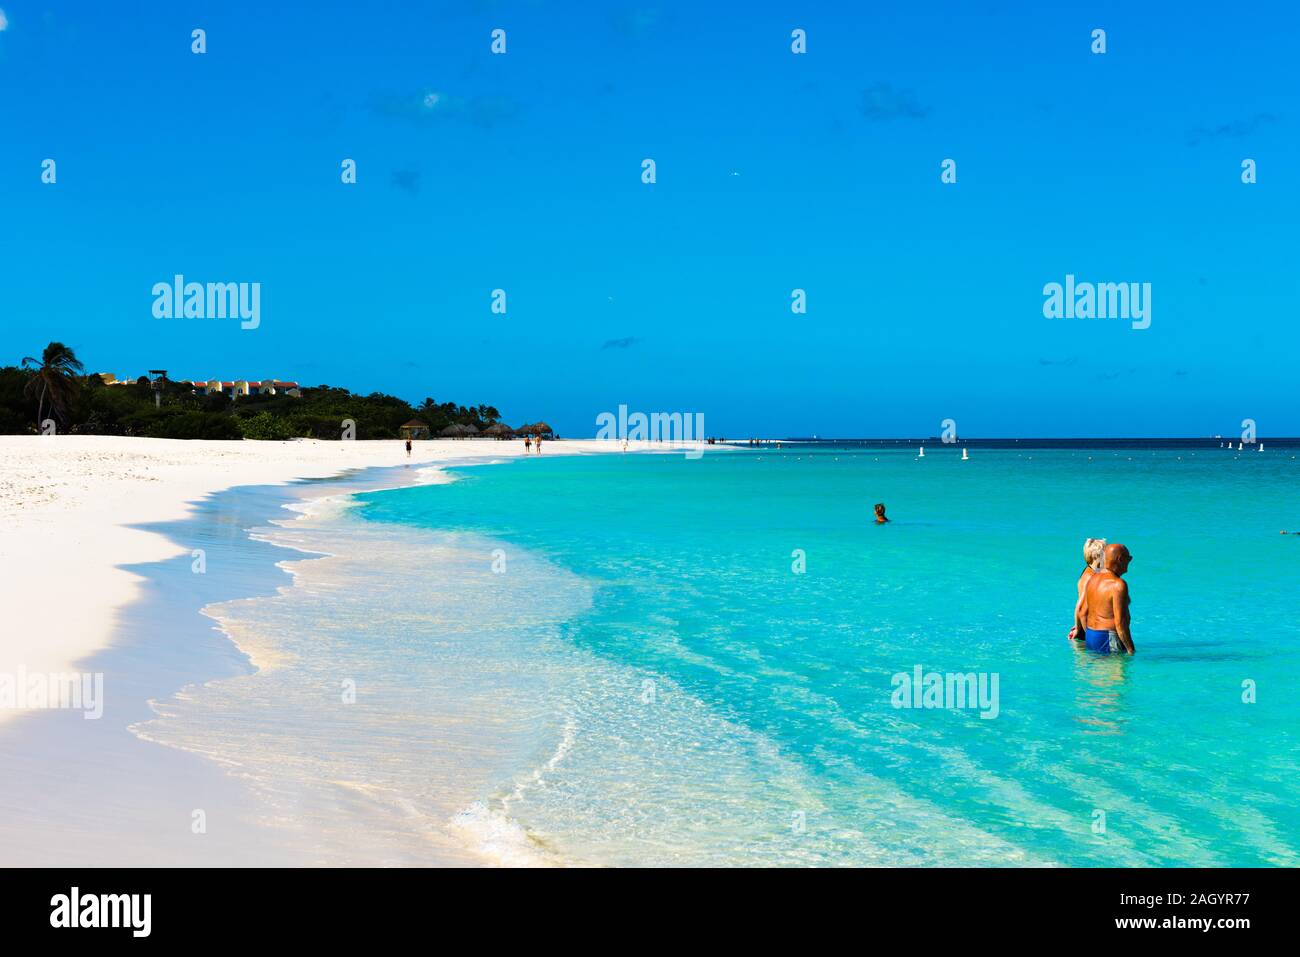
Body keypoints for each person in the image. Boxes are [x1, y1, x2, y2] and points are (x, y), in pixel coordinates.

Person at [1073, 543, 1136, 655]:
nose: (1129, 561)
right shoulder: (1118, 585)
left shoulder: (1092, 579)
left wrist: (1087, 635)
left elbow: (1082, 611)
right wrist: (1131, 650)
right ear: (1120, 559)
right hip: (1109, 637)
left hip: (1091, 636)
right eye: (1129, 558)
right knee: (1118, 671)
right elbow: (1120, 624)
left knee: (1100, 672)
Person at [1067, 538, 1106, 641]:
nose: (1107, 558)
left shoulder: (1090, 571)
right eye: (1104, 555)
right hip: (1086, 631)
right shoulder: (1089, 577)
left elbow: (1079, 604)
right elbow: (1081, 608)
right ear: (1095, 556)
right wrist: (1087, 635)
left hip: (1085, 627)